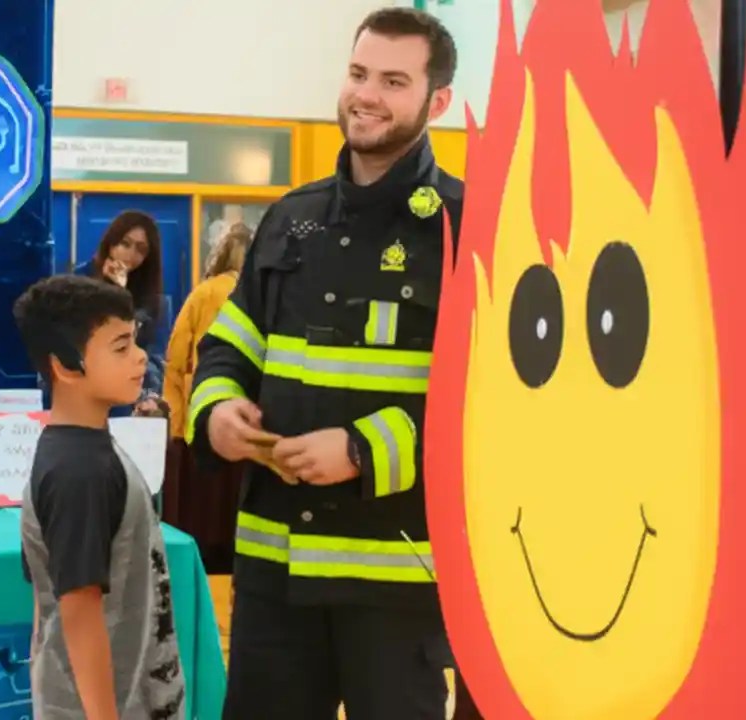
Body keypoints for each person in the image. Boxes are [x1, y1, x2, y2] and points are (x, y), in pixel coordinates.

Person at [187, 8, 476, 718]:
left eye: (393, 81)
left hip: (397, 582)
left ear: (438, 101)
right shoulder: (292, 218)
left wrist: (362, 449)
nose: (366, 95)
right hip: (274, 575)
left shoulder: (467, 227)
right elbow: (230, 342)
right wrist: (218, 409)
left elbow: (496, 404)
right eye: (358, 73)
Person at [14, 274, 186, 720]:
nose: (140, 356)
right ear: (66, 367)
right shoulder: (78, 471)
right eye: (121, 347)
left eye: (136, 341)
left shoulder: (88, 451)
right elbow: (77, 607)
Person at [159, 223, 254, 573]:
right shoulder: (261, 297)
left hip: (201, 417)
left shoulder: (204, 293)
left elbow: (176, 356)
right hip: (251, 419)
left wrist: (176, 423)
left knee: (201, 514)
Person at [83, 211, 166, 414]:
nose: (130, 254)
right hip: (84, 390)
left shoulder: (152, 299)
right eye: (125, 243)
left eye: (141, 250)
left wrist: (149, 395)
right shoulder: (79, 282)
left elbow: (153, 354)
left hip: (129, 398)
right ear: (111, 243)